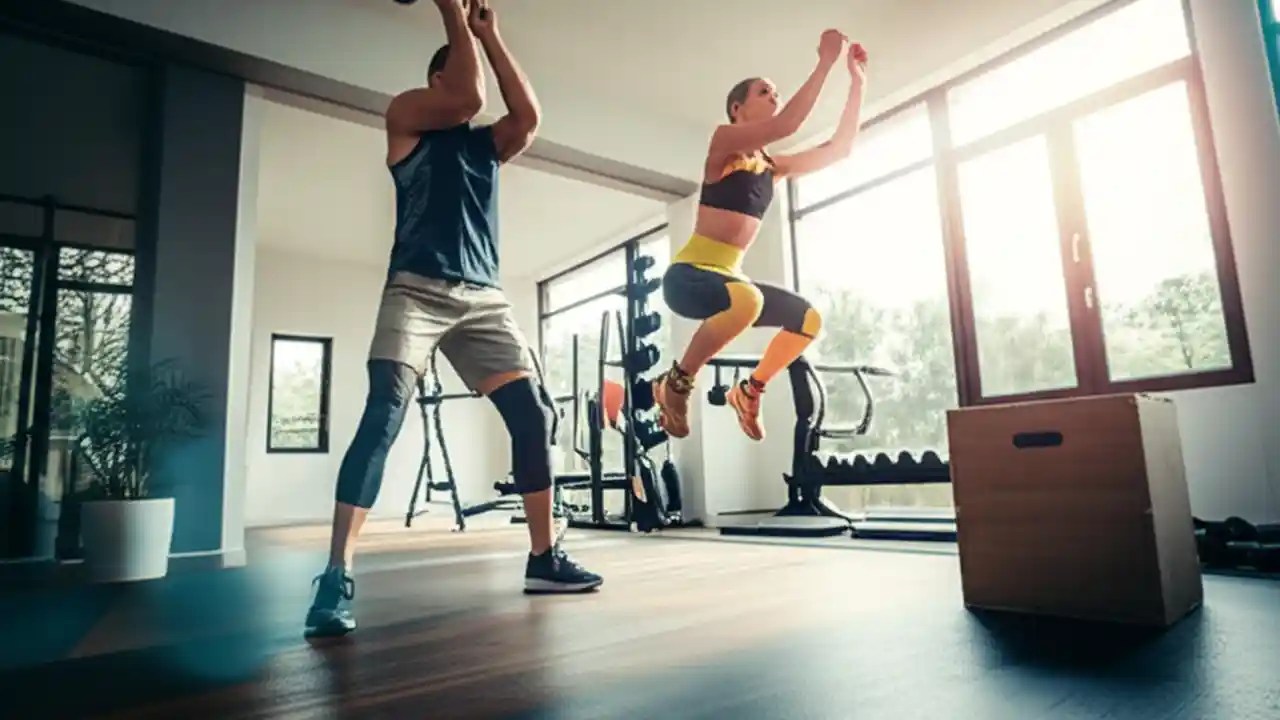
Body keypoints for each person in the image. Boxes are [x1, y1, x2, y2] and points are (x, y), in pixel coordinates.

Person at [305, 0, 602, 639]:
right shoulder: (406, 119)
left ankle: (544, 558)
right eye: (463, 69)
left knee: (533, 415)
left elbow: (528, 117)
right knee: (384, 413)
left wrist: (490, 33)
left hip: (483, 297)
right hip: (414, 289)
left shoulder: (485, 146)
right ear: (436, 80)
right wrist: (451, 11)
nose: (473, 91)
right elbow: (469, 96)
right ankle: (334, 575)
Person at [653, 31, 869, 442]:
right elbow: (788, 124)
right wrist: (824, 62)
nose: (774, 96)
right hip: (688, 277)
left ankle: (749, 391)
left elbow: (839, 148)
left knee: (808, 319)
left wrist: (857, 80)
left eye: (776, 92)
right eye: (764, 91)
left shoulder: (773, 167)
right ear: (738, 108)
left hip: (730, 283)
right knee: (748, 298)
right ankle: (677, 383)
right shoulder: (723, 144)